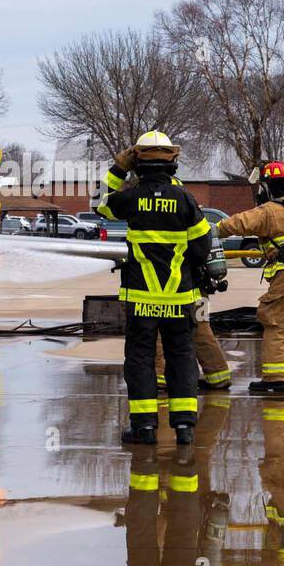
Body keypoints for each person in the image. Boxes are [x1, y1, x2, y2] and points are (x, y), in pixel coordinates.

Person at [97, 131, 211, 446]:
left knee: (140, 359)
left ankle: (145, 428)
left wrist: (118, 170)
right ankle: (185, 427)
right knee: (182, 357)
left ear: (138, 163)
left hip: (141, 300)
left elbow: (100, 205)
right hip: (178, 299)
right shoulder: (185, 199)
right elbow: (203, 247)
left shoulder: (130, 198)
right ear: (173, 162)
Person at [213, 161, 284, 394]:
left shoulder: (269, 211)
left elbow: (235, 224)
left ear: (269, 187)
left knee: (277, 323)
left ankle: (275, 379)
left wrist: (207, 231)